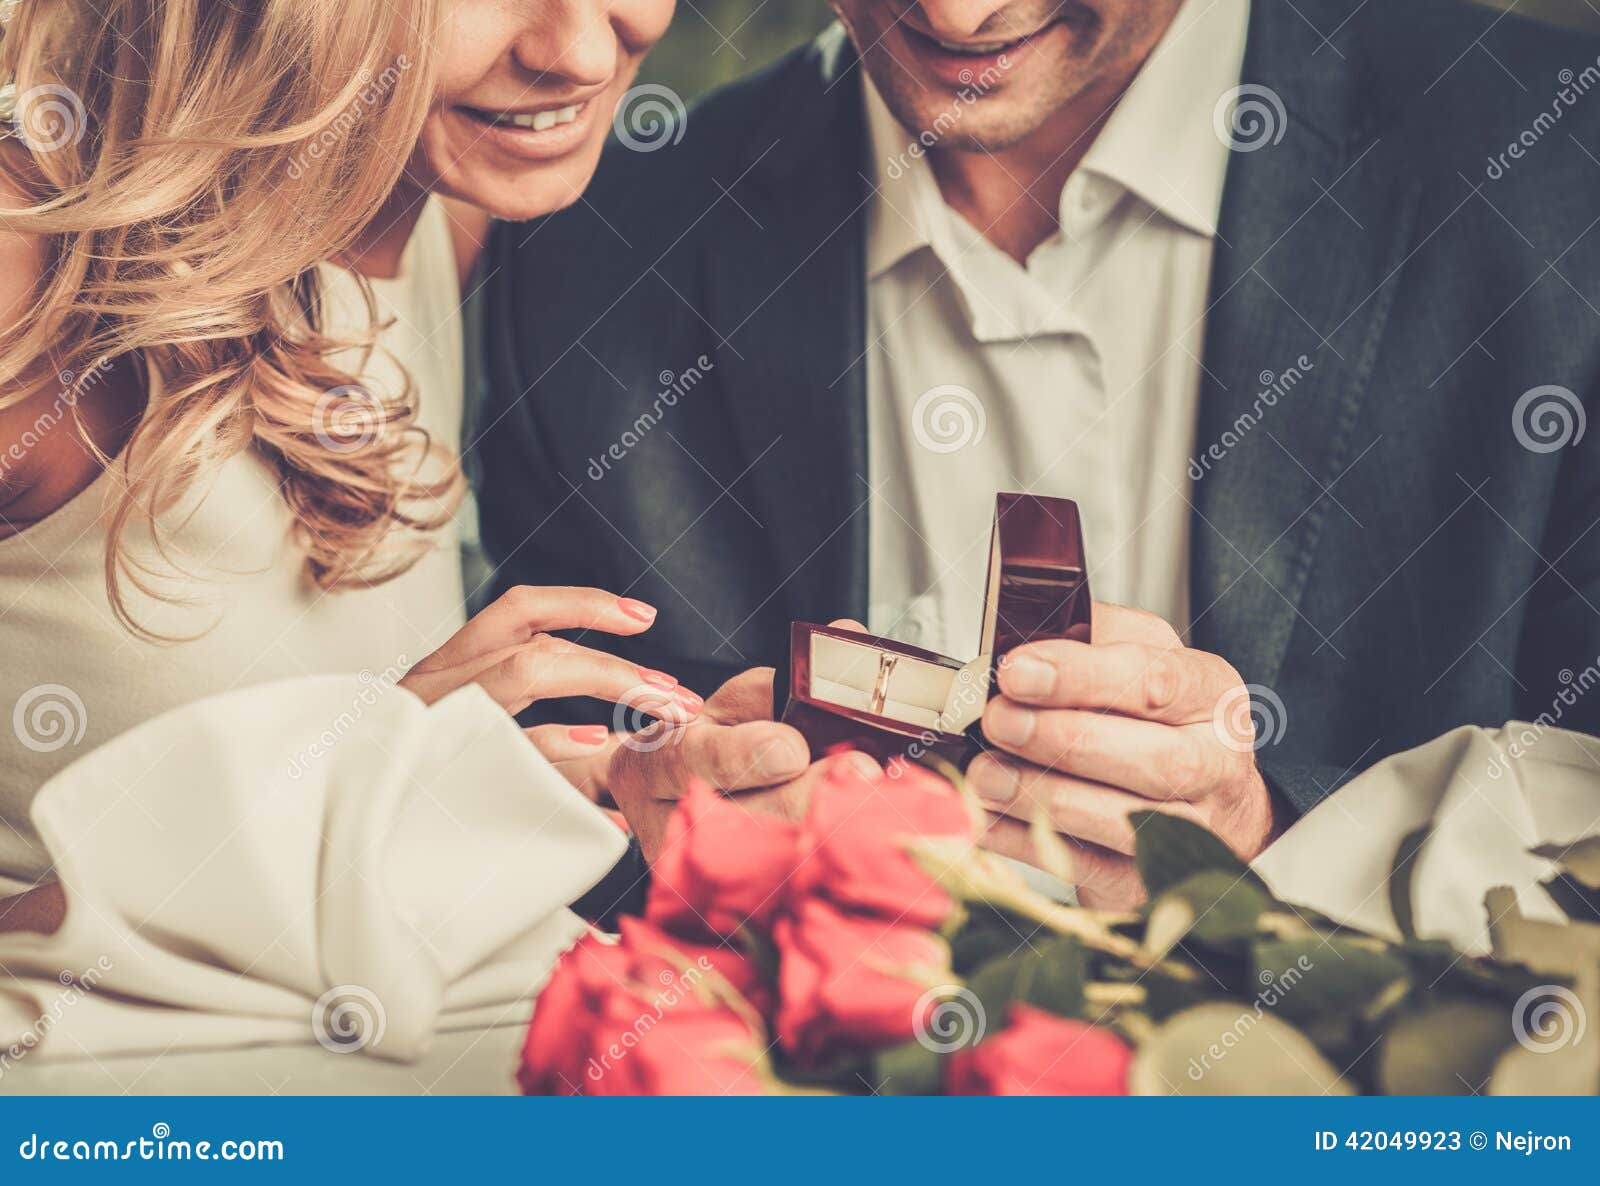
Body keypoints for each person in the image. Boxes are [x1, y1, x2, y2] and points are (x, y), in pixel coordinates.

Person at [477, 0, 1600, 907]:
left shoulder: (1561, 166)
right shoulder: (596, 246)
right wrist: (650, 827)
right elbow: (540, 822)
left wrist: (1276, 847)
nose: (956, 16)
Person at [0, 0, 694, 934]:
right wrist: (349, 786)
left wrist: (519, 790)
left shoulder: (451, 212)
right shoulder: (27, 255)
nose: (580, 52)